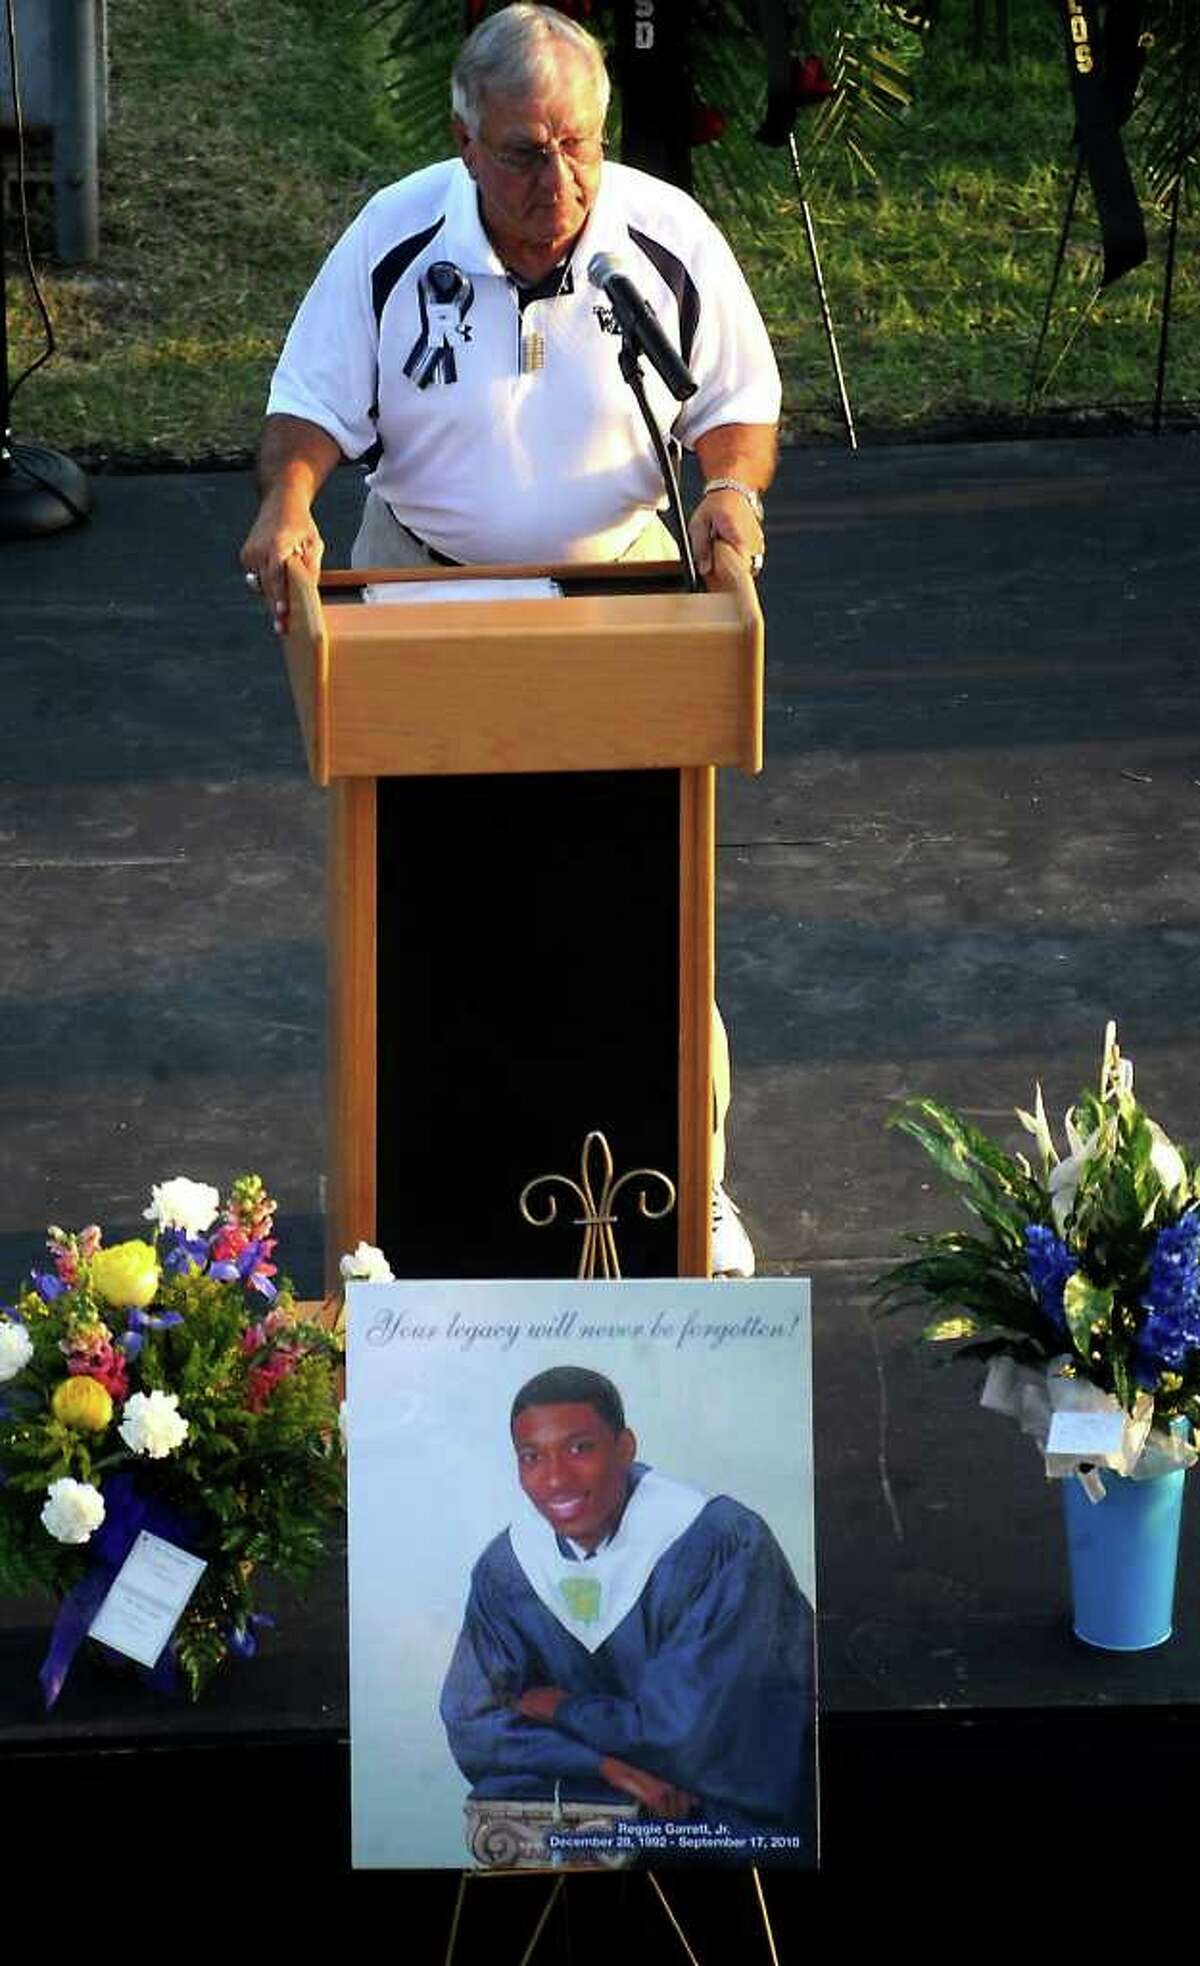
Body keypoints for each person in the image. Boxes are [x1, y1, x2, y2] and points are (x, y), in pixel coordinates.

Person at [239, 4, 778, 1276]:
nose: (561, 182)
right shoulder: (392, 236)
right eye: (528, 152)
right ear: (464, 140)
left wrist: (730, 494)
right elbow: (308, 404)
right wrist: (288, 502)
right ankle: (412, 1189)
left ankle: (692, 1186)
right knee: (436, 903)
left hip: (626, 608)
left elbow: (738, 405)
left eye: (580, 146)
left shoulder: (666, 240)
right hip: (429, 600)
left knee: (654, 908)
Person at [439, 1366, 815, 1856]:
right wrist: (608, 1765)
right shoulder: (507, 1569)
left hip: (734, 1838)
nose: (554, 1479)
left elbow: (688, 1736)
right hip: (594, 1829)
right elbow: (473, 1723)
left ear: (625, 1446)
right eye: (531, 1457)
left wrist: (557, 1706)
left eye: (579, 1448)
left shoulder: (722, 1545)